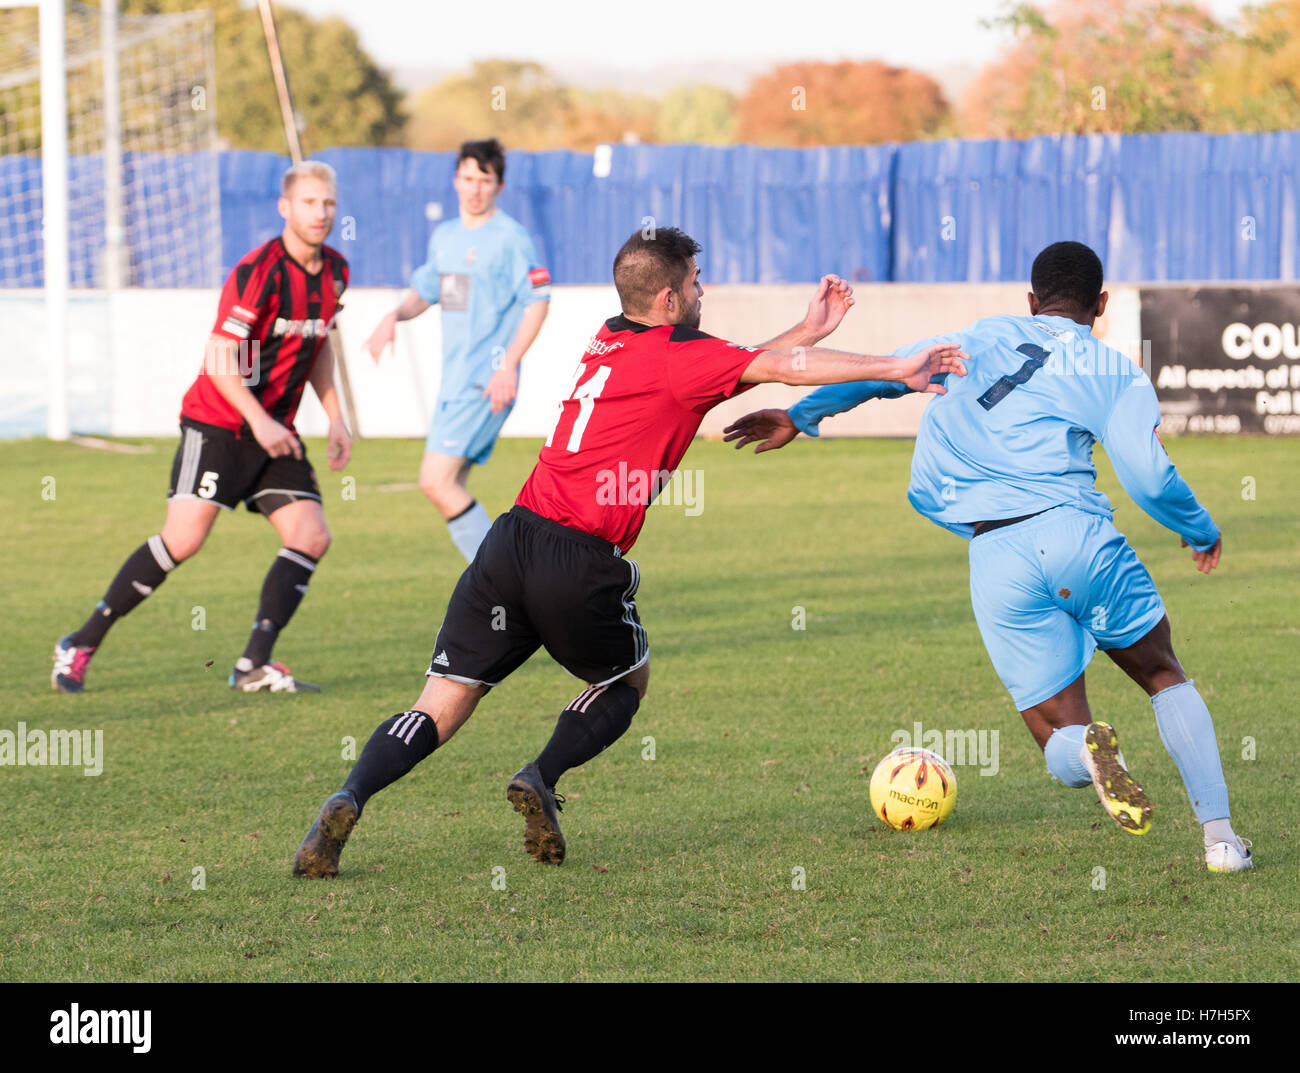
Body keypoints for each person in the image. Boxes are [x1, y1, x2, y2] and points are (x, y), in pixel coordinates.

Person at [292, 225, 968, 877]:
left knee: (441, 700)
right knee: (625, 679)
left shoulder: (610, 339)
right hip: (578, 558)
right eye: (697, 283)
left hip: (510, 541)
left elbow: (741, 368)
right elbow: (775, 370)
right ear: (671, 299)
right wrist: (895, 366)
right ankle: (542, 776)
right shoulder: (680, 357)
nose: (703, 292)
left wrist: (809, 330)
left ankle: (350, 794)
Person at [723, 240, 1252, 873]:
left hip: (997, 553)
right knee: (1163, 673)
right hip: (1078, 535)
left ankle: (1088, 748)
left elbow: (887, 372)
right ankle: (1221, 842)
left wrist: (801, 414)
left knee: (1056, 735)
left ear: (1032, 302)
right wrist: (1197, 528)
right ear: (1101, 305)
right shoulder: (1114, 370)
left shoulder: (977, 337)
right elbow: (1147, 474)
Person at [52, 161, 351, 695]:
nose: (320, 213)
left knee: (310, 534)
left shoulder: (335, 272)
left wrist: (336, 417)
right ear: (285, 207)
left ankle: (252, 665)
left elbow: (319, 343)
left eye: (327, 203)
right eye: (309, 202)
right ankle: (80, 641)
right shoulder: (258, 271)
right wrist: (257, 420)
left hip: (272, 431)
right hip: (219, 423)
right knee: (184, 539)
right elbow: (220, 357)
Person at [362, 138, 551, 563]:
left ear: (499, 186)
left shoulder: (510, 238)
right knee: (451, 485)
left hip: (486, 382)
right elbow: (426, 292)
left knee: (435, 481)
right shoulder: (445, 237)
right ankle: (501, 589)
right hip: (454, 383)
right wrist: (394, 316)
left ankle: (501, 584)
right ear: (455, 180)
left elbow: (538, 301)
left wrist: (508, 365)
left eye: (484, 180)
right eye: (467, 178)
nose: (474, 188)